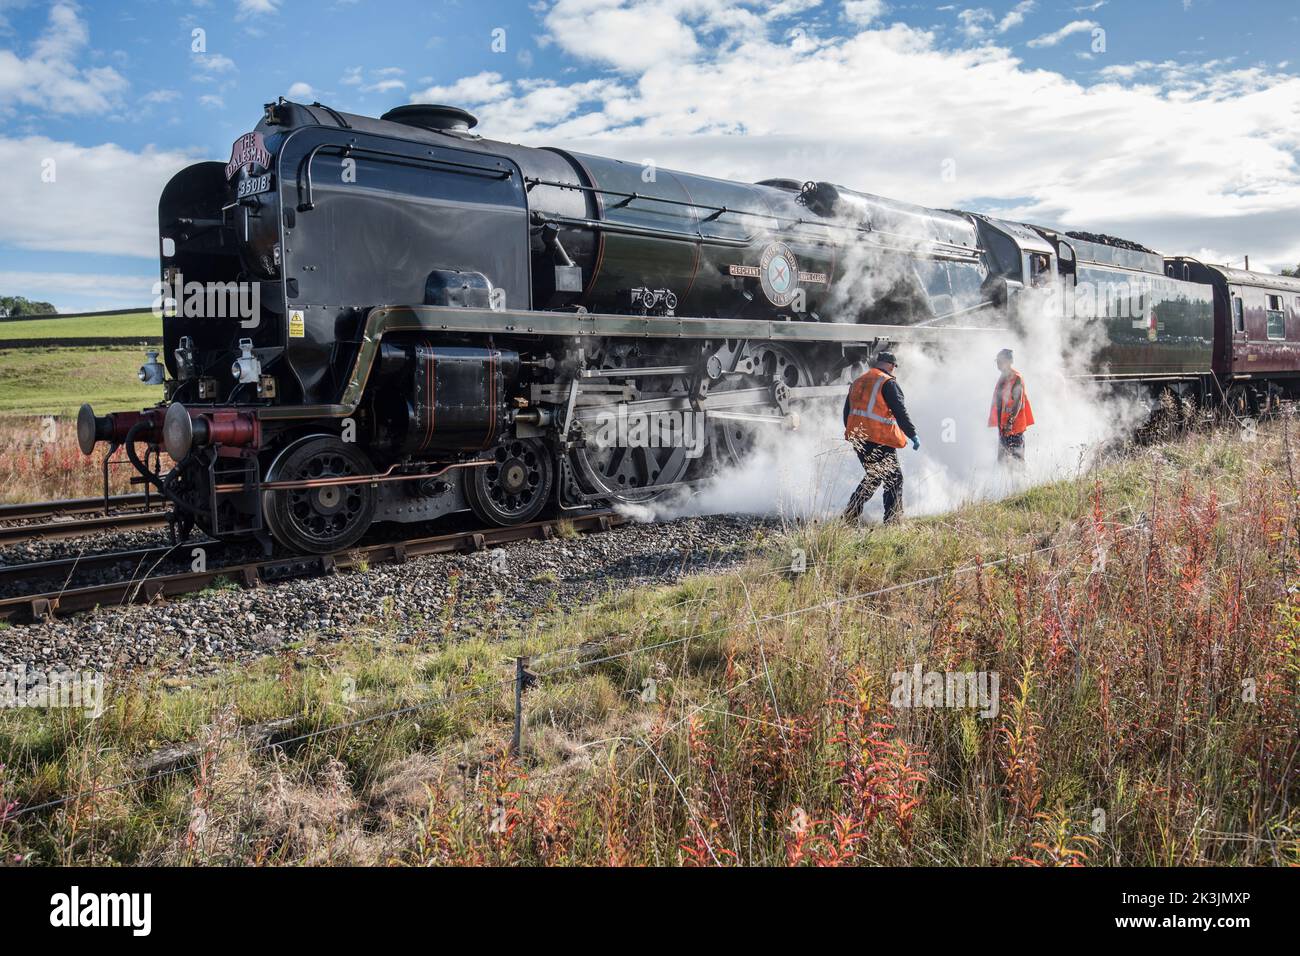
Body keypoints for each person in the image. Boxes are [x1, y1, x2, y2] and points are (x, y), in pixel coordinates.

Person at [842, 351, 918, 524]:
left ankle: (851, 513)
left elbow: (847, 413)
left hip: (858, 439)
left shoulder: (858, 381)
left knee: (874, 475)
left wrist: (854, 433)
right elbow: (900, 412)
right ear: (892, 365)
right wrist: (912, 434)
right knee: (894, 478)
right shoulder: (888, 382)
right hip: (878, 438)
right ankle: (893, 521)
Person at [988, 348, 1034, 463]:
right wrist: (1000, 425)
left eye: (1000, 361)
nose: (998, 364)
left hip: (1015, 428)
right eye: (997, 361)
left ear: (1008, 362)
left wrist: (1010, 422)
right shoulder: (1003, 377)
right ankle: (1005, 481)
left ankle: (1019, 481)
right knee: (1002, 461)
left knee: (1017, 460)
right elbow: (999, 403)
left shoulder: (1016, 378)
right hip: (1004, 427)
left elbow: (1018, 402)